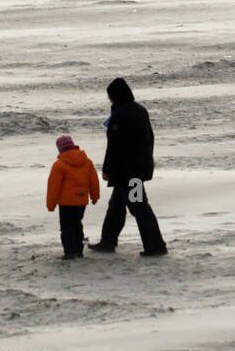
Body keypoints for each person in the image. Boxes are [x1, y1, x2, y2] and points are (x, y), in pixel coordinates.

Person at [89, 78, 168, 256]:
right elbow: (150, 139)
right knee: (116, 206)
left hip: (128, 172)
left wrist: (107, 169)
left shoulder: (121, 114)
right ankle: (107, 241)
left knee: (139, 207)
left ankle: (155, 246)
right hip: (136, 169)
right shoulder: (139, 110)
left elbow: (114, 146)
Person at [46, 135, 100, 259]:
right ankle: (78, 250)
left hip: (66, 203)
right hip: (81, 201)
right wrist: (95, 196)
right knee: (77, 224)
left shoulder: (59, 165)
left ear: (60, 149)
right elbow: (94, 181)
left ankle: (69, 252)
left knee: (66, 227)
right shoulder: (87, 162)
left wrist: (51, 204)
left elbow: (53, 187)